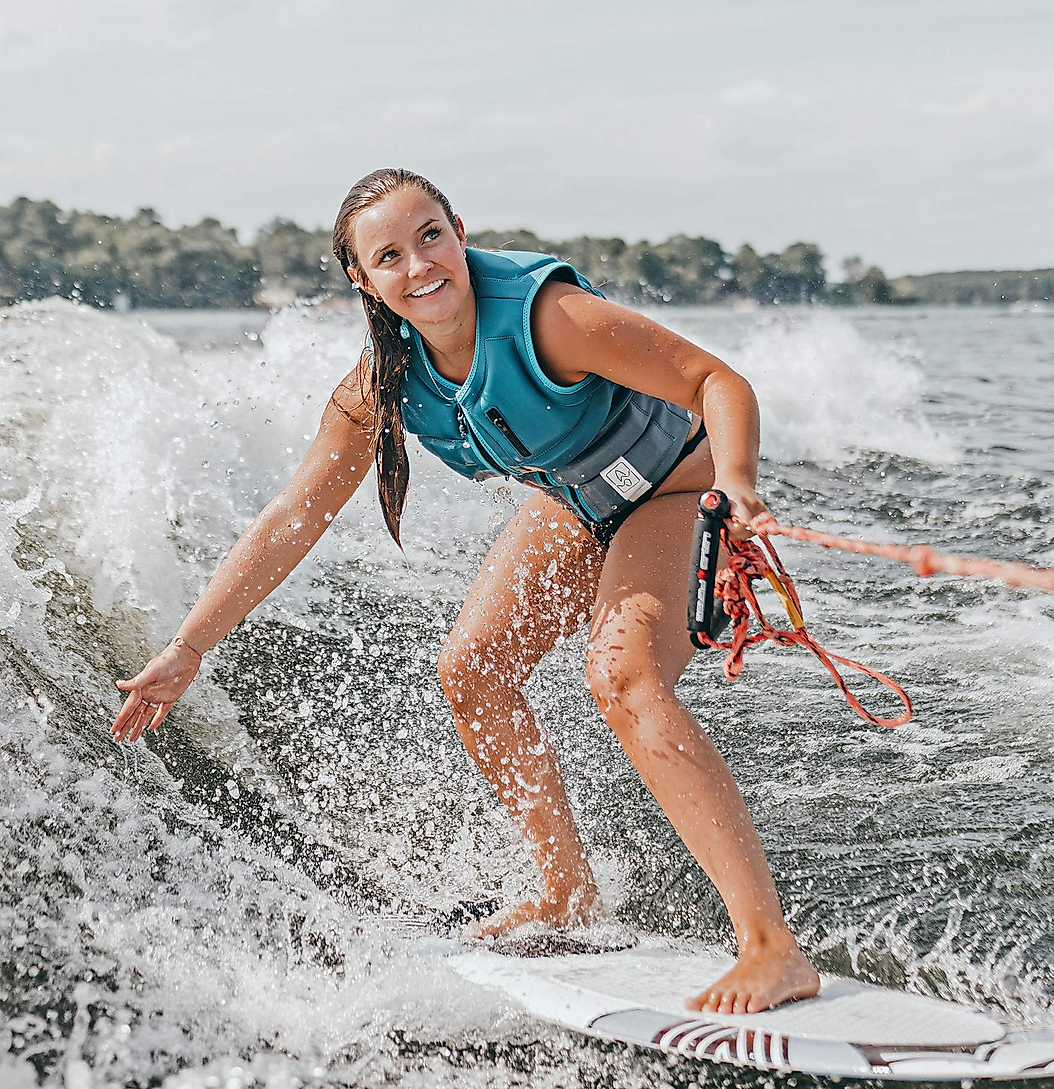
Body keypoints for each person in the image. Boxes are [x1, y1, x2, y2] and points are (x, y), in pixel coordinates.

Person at [111, 168, 820, 1015]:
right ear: (363, 280)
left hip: (675, 485)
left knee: (622, 677)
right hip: (580, 499)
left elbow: (717, 382)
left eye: (431, 237)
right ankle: (565, 892)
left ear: (459, 230)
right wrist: (189, 646)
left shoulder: (548, 318)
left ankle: (773, 950)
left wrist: (738, 483)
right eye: (390, 255)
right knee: (473, 668)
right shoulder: (380, 384)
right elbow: (295, 516)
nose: (420, 266)